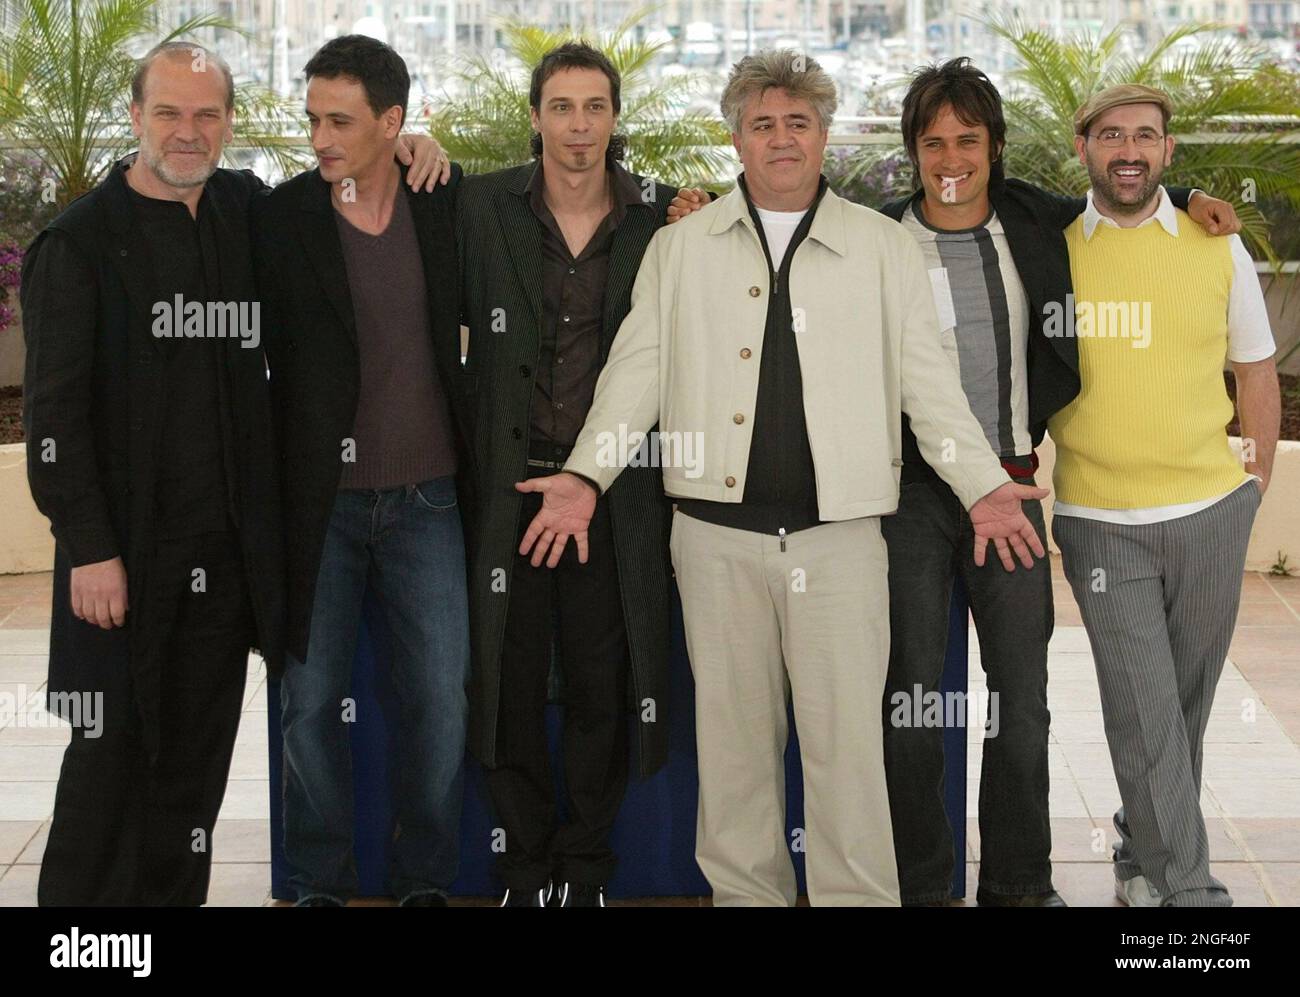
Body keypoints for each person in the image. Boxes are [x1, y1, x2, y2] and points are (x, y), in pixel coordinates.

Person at [515, 50, 1049, 906]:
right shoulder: (680, 248)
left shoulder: (880, 248)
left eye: (798, 121)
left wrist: (984, 486)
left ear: (825, 135)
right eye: (762, 124)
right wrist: (585, 477)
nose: (781, 138)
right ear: (736, 139)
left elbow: (928, 385)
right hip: (714, 542)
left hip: (840, 544)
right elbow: (633, 375)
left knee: (847, 755)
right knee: (733, 760)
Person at [454, 42, 685, 908]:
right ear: (536, 115)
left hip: (611, 494)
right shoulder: (481, 208)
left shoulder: (661, 217)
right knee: (506, 685)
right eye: (561, 107)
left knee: (602, 686)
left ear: (615, 118)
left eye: (594, 107)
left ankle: (585, 868)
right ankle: (523, 869)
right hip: (508, 489)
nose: (578, 126)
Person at [252, 34, 471, 908]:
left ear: (394, 122)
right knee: (307, 705)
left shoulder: (443, 201)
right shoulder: (279, 218)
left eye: (340, 121)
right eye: (312, 120)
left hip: (431, 497)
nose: (320, 139)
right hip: (318, 507)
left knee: (443, 700)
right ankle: (316, 884)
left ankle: (424, 880)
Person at [1048, 84, 1278, 907]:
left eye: (1146, 135)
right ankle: (1190, 894)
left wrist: (1254, 483)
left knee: (1180, 709)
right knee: (1146, 707)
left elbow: (1254, 369)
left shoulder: (1219, 246)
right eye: (1111, 135)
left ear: (1168, 151)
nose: (1129, 150)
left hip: (1212, 511)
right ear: (1084, 148)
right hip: (1100, 519)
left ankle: (1140, 852)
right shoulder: (1052, 246)